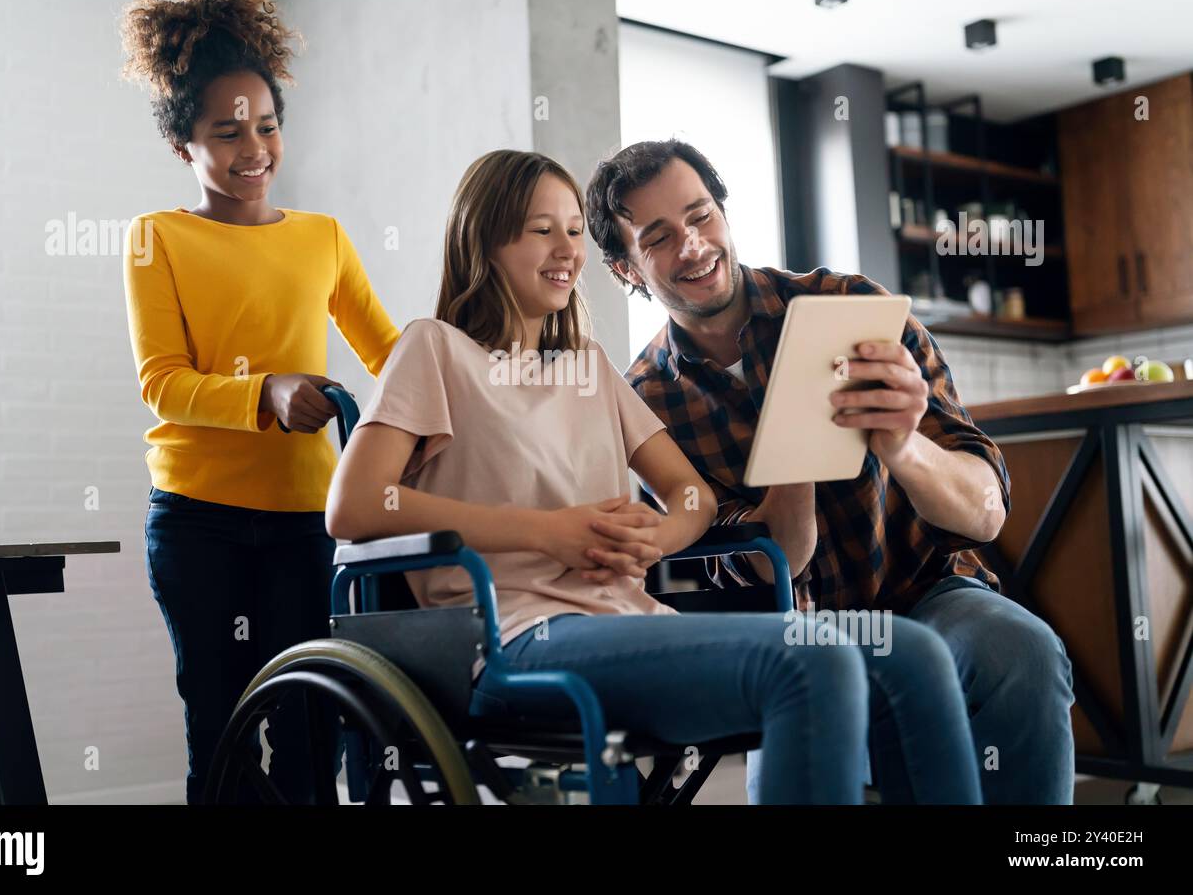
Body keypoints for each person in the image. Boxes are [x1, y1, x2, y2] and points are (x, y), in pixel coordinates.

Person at [326, 148, 983, 804]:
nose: (566, 249)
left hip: (631, 618)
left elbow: (689, 493)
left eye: (575, 231)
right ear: (486, 240)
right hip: (511, 636)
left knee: (912, 655)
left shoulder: (587, 366)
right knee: (813, 661)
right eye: (540, 229)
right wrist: (546, 531)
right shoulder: (433, 349)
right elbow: (353, 505)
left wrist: (658, 537)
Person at [585, 138, 1075, 804]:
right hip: (793, 629)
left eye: (702, 216)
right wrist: (797, 435)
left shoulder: (850, 306)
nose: (694, 244)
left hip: (928, 593)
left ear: (725, 214)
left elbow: (985, 511)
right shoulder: (643, 398)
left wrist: (903, 445)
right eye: (661, 237)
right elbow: (771, 562)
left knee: (1023, 650)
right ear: (625, 270)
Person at [119, 0, 399, 803]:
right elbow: (162, 384)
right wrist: (264, 392)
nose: (255, 150)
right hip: (197, 524)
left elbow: (391, 355)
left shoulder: (324, 238)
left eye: (268, 126)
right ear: (185, 146)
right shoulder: (153, 239)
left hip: (304, 523)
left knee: (315, 729)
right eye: (228, 132)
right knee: (223, 733)